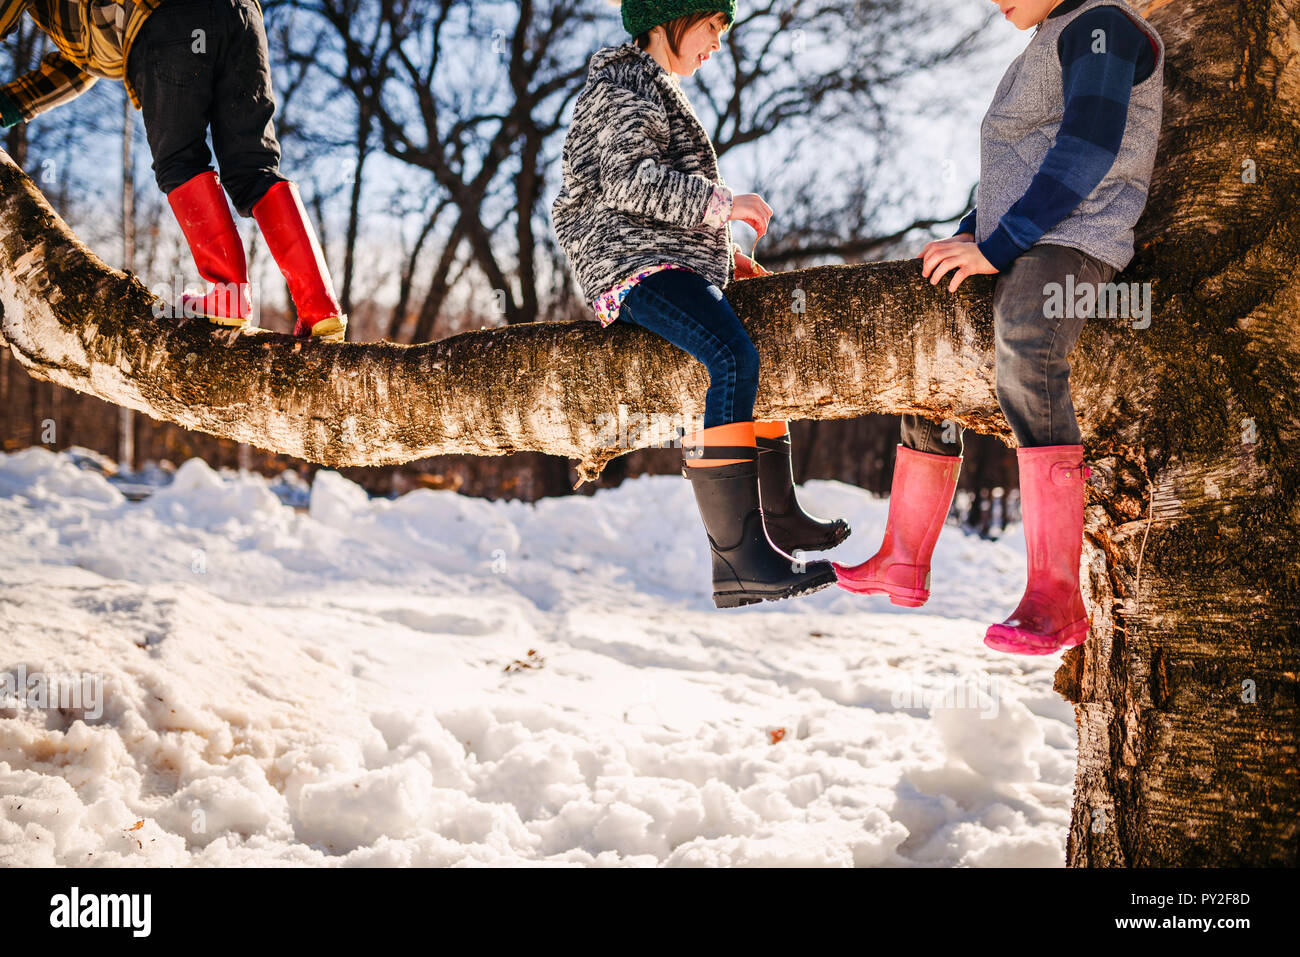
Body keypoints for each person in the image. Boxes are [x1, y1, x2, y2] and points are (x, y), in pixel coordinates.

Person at [833, 0, 1163, 654]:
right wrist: (969, 232)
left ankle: (1056, 595)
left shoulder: (1104, 25)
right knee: (930, 339)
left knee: (1026, 337)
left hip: (1073, 240)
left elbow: (1088, 143)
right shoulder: (1039, 44)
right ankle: (903, 555)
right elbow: (1015, 167)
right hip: (1018, 239)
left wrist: (999, 242)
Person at [551, 0, 849, 607]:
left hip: (661, 257)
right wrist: (726, 205)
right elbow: (629, 182)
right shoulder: (623, 87)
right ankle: (738, 556)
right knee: (731, 356)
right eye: (713, 24)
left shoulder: (654, 87)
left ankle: (779, 512)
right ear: (670, 17)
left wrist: (720, 254)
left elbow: (659, 203)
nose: (718, 42)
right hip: (627, 264)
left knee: (752, 341)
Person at [0, 0, 347, 340]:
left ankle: (228, 295)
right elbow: (80, 64)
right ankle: (321, 310)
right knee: (256, 167)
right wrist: (10, 105)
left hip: (168, 17)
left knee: (180, 160)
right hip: (241, 16)